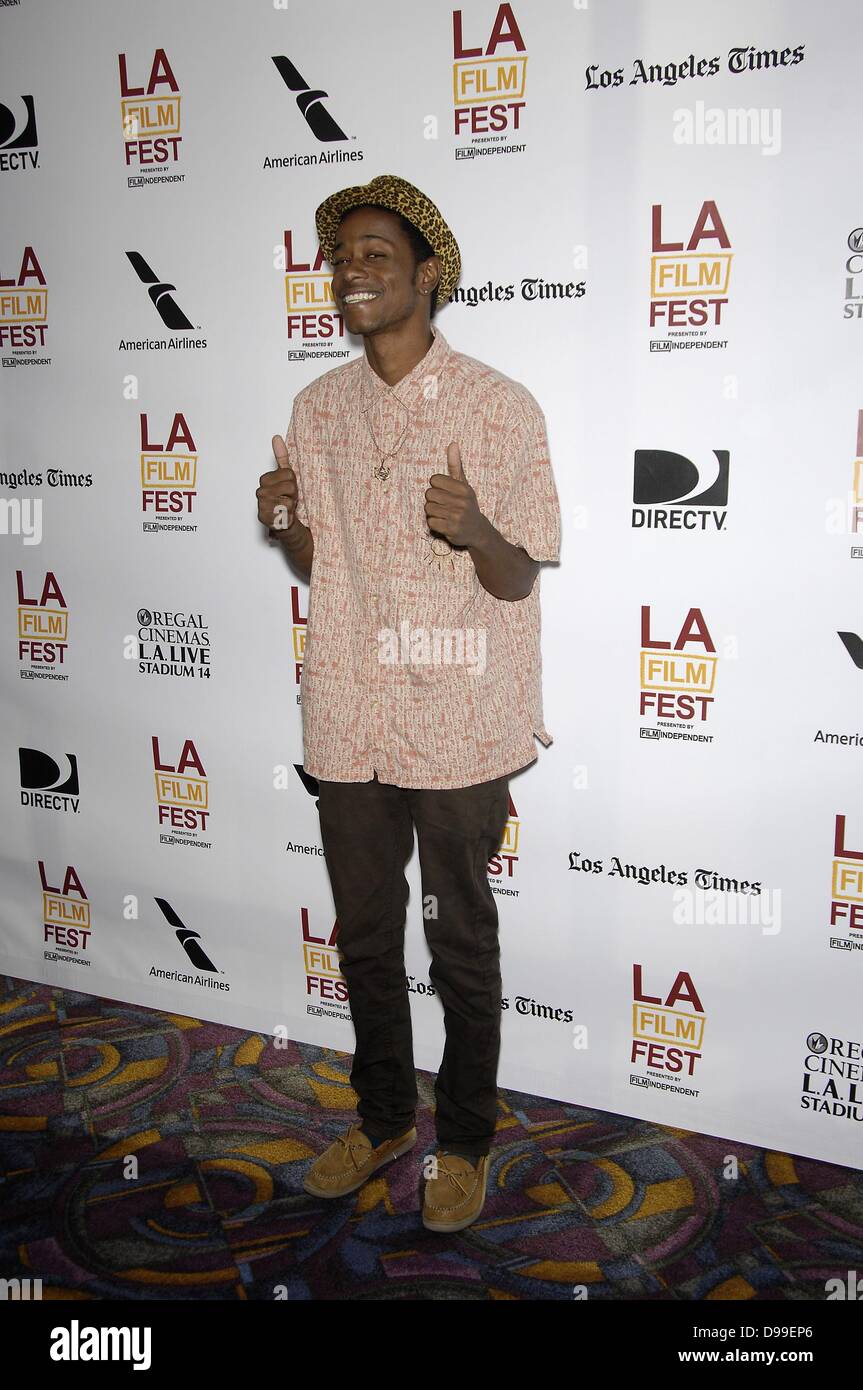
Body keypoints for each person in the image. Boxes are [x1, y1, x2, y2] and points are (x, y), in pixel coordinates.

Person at [256, 174, 561, 1233]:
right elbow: (316, 562)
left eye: (377, 251)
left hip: (461, 719)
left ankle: (465, 1139)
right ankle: (383, 1116)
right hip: (346, 708)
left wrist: (475, 526)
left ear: (428, 273)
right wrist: (288, 518)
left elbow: (519, 576)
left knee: (458, 941)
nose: (354, 268)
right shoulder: (315, 407)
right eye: (342, 254)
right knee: (366, 935)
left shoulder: (498, 405)